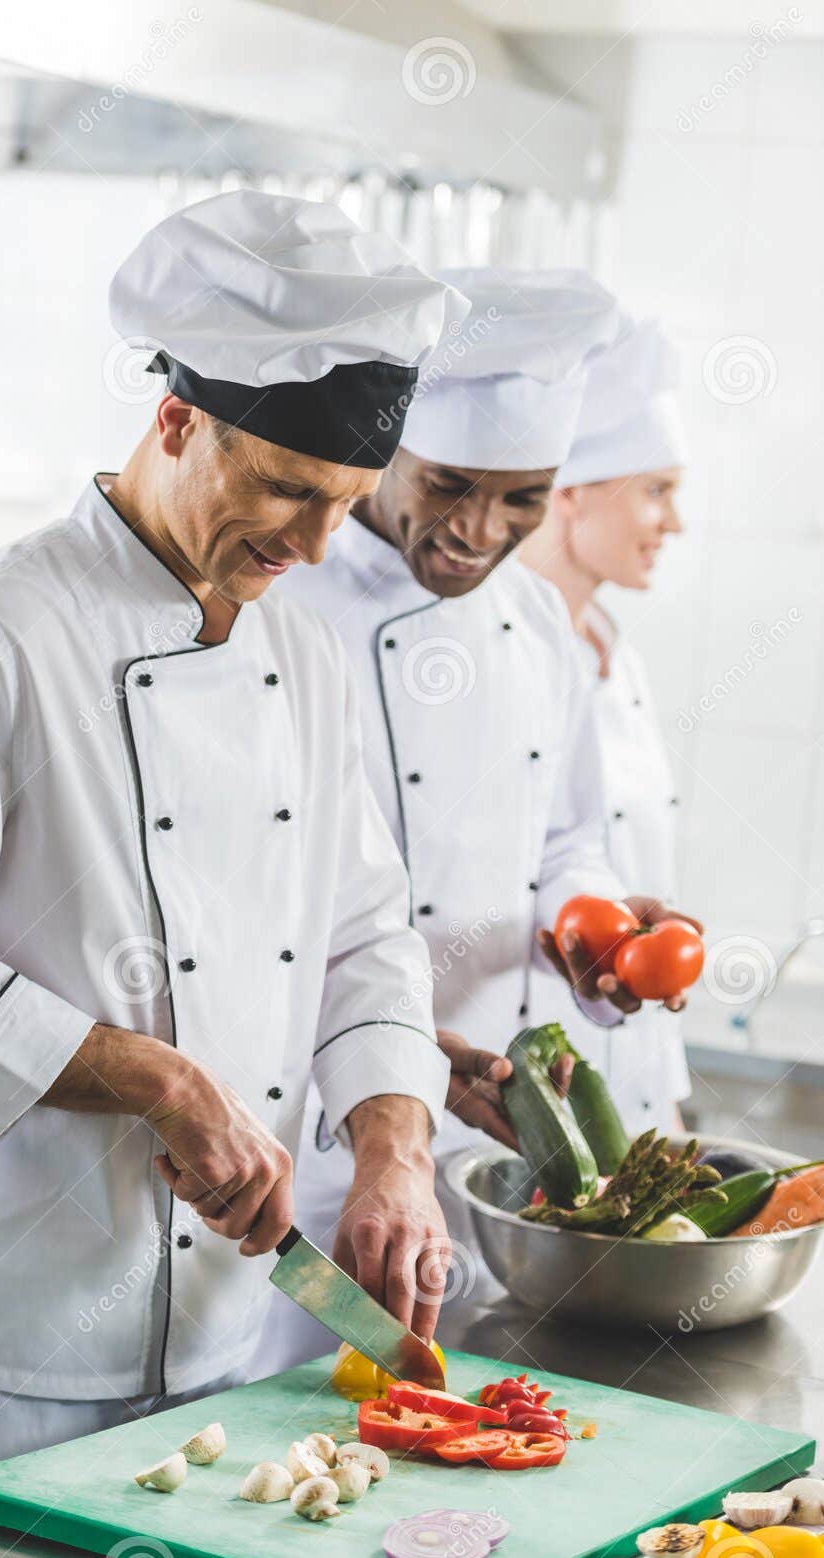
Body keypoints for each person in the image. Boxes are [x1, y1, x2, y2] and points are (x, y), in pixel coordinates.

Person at [0, 191, 465, 1520]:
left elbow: (363, 931)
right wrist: (161, 1079)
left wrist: (395, 1146)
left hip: (226, 1330)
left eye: (346, 504)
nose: (312, 545)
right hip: (10, 1341)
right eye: (287, 488)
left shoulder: (303, 650)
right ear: (176, 422)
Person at [255, 270, 698, 1376]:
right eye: (448, 485)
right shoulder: (276, 603)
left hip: (490, 1135)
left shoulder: (537, 622)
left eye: (522, 501)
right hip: (308, 1138)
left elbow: (566, 840)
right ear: (386, 452)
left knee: (457, 1420)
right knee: (295, 1423)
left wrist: (594, 933)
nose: (476, 530)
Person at [520, 317, 691, 1129]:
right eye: (656, 490)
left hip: (635, 1075)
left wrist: (667, 1099)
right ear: (571, 493)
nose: (674, 522)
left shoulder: (619, 658)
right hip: (537, 1083)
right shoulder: (502, 659)